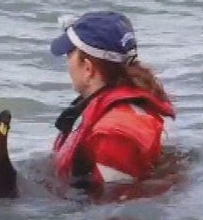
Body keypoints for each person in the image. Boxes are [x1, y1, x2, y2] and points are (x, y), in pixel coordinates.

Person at [48, 11, 176, 195]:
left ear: (88, 68)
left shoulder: (114, 135)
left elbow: (116, 209)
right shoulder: (120, 109)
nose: (67, 62)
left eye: (70, 53)